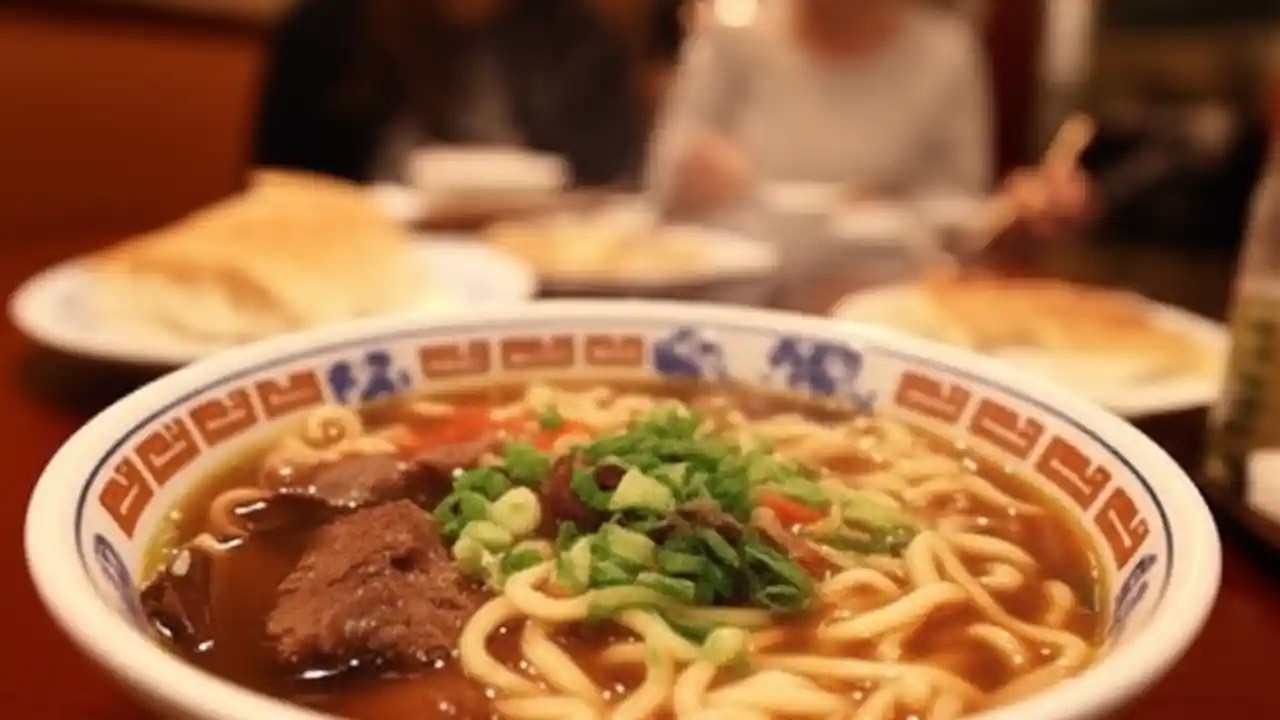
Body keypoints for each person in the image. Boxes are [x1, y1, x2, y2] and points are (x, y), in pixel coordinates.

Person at [648, 0, 1090, 236]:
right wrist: (690, 172)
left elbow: (958, 210)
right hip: (737, 298)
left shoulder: (947, 53)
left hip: (881, 307)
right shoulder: (731, 37)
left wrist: (1016, 211)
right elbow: (658, 184)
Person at [255, 0, 645, 186]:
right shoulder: (327, 30)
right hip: (368, 285)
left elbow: (608, 188)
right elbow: (283, 191)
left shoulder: (583, 42)